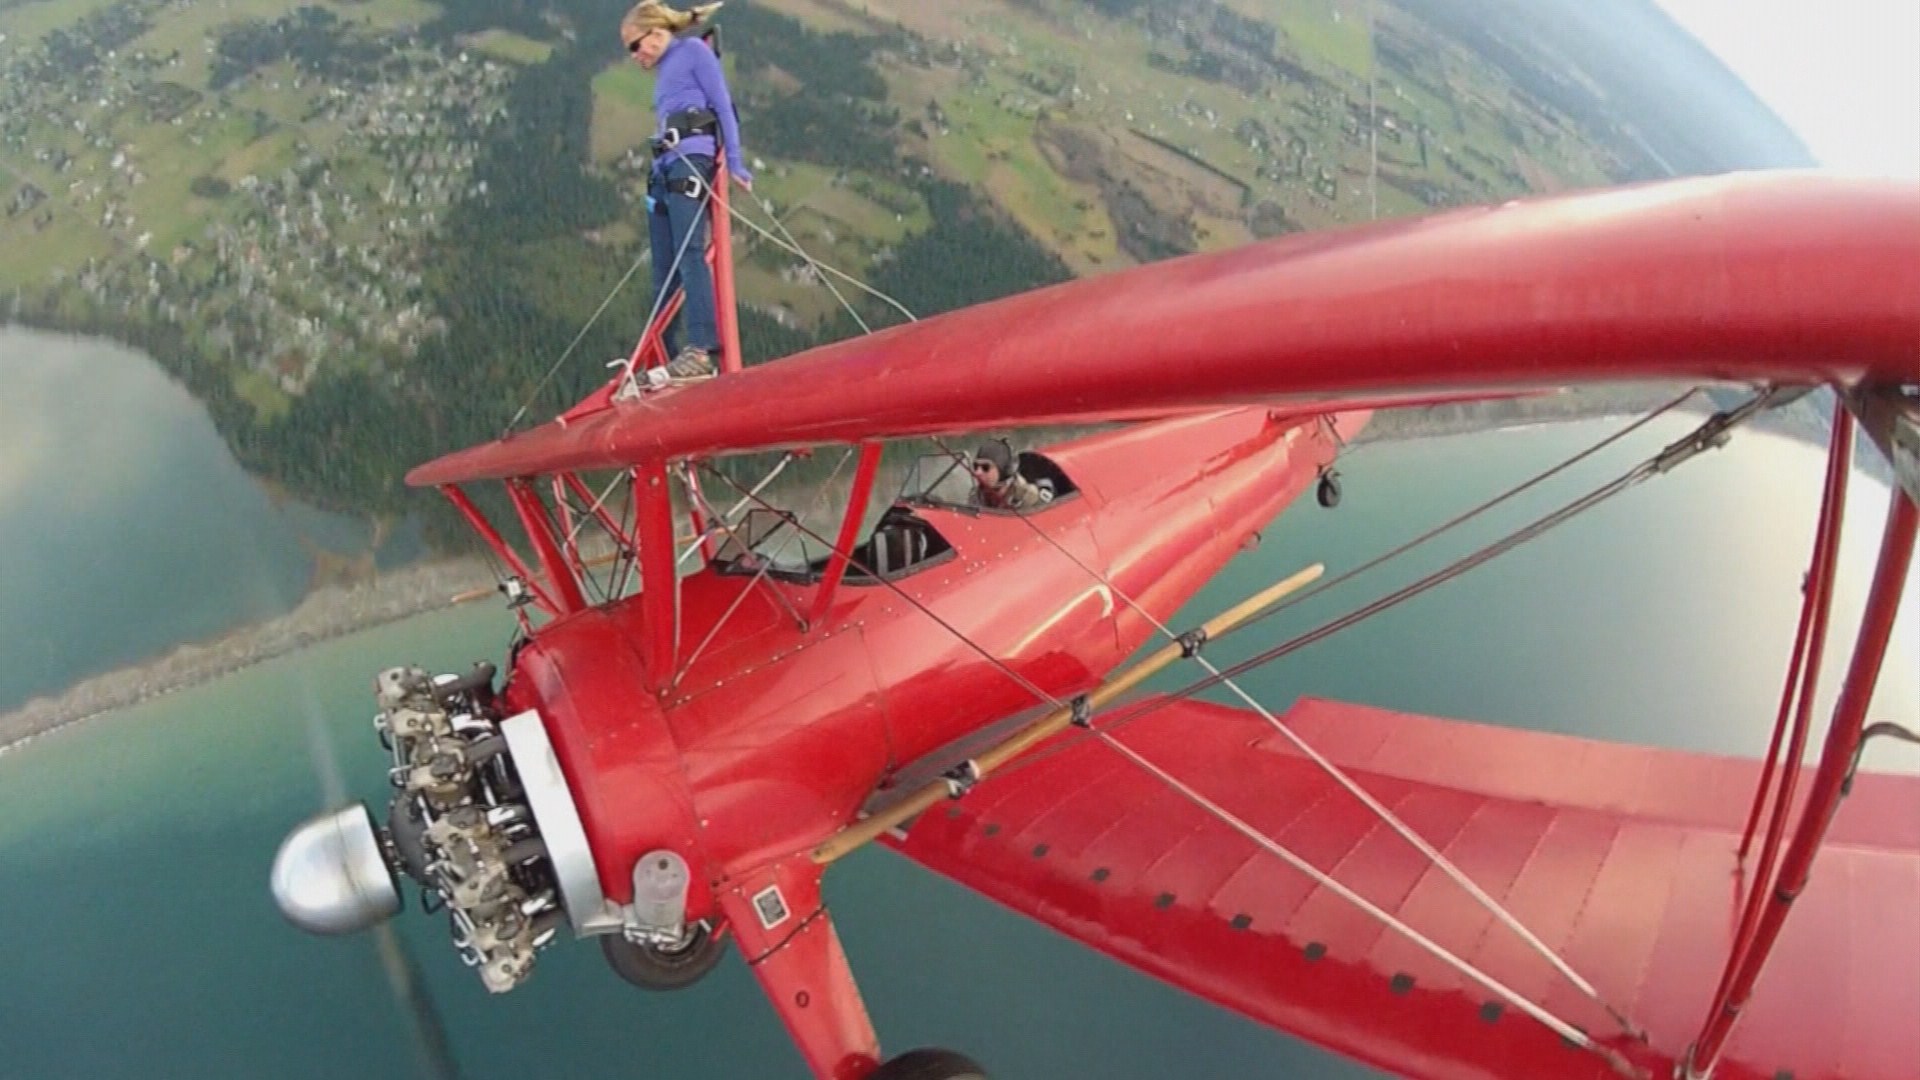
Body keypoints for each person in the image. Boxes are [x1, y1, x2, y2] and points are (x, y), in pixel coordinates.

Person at [620, 1, 753, 381]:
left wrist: (738, 163)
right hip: (665, 167)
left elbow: (724, 108)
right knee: (664, 269)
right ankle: (666, 355)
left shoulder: (694, 52)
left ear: (657, 32)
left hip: (690, 160)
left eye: (635, 45)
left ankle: (702, 349)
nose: (634, 55)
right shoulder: (666, 71)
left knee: (689, 251)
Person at [969, 440, 1051, 511]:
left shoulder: (1028, 498)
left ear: (1004, 471)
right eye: (975, 466)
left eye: (985, 467)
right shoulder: (976, 495)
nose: (977, 472)